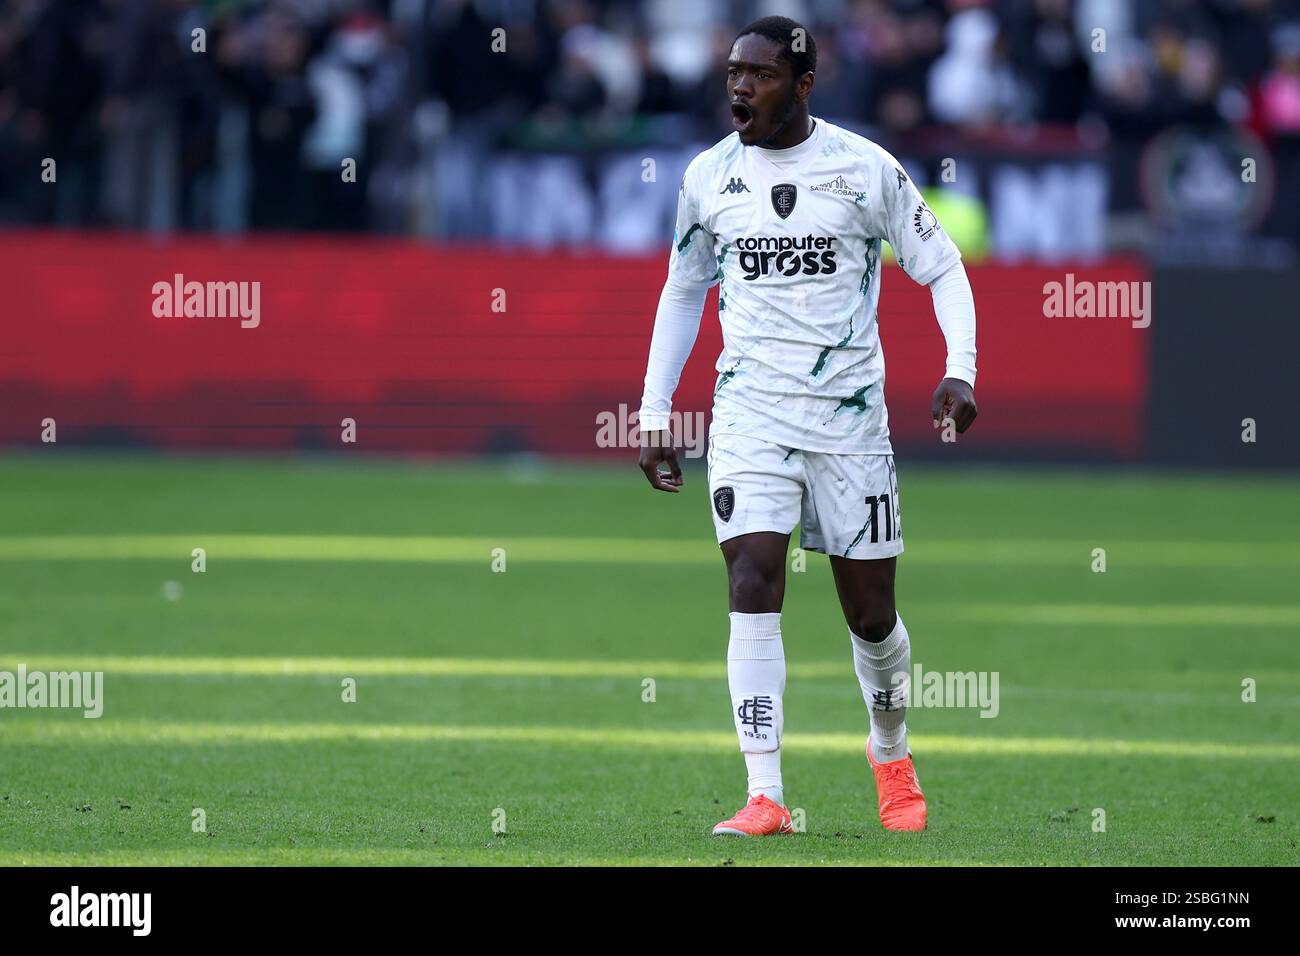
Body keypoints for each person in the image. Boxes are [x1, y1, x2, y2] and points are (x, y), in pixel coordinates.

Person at [636, 16, 978, 836]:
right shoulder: (708, 178)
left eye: (757, 75)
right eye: (732, 74)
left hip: (850, 423)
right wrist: (654, 411)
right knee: (752, 580)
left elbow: (943, 267)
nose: (740, 89)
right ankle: (765, 795)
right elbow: (684, 290)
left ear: (804, 84)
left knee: (871, 615)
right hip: (749, 414)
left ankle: (889, 750)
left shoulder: (865, 170)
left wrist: (960, 367)